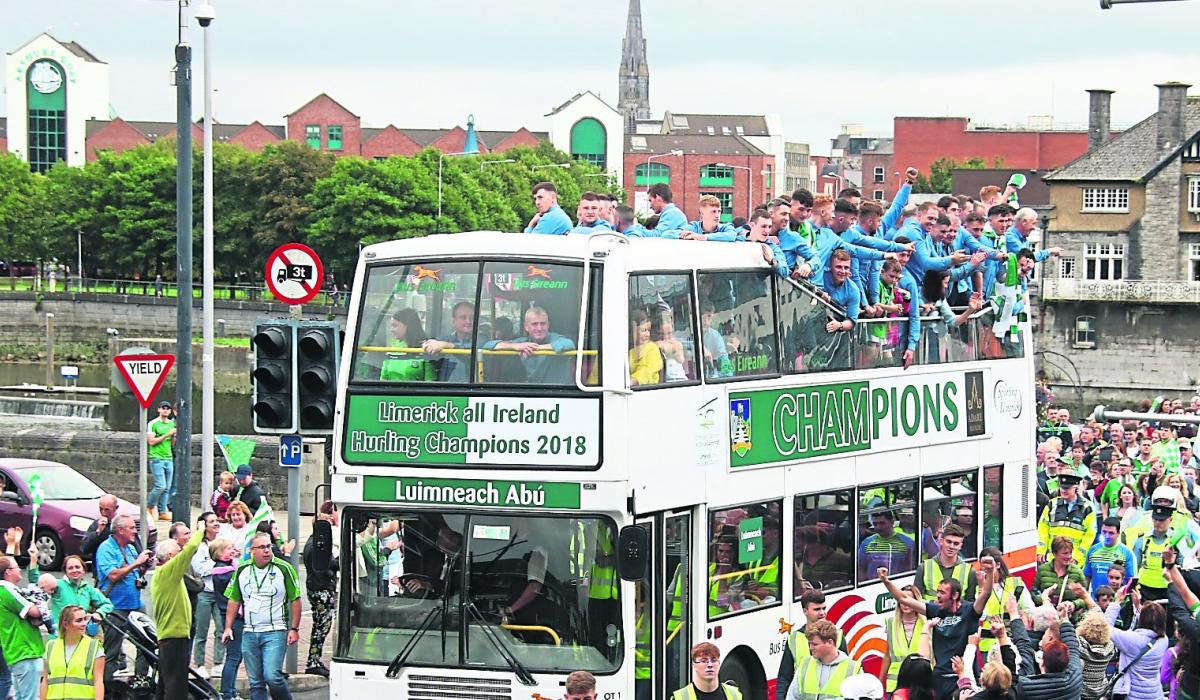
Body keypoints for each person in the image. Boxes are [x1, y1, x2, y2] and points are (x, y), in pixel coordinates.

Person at [878, 556, 995, 700]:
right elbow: (904, 599)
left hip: (961, 674)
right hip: (939, 677)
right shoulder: (935, 610)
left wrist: (990, 572)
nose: (937, 596)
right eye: (937, 591)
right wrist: (885, 581)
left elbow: (986, 594)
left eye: (942, 593)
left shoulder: (969, 611)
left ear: (955, 595)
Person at [222, 533, 302, 700]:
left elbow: (295, 599)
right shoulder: (242, 570)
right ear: (252, 551)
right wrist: (228, 627)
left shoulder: (283, 568)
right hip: (249, 632)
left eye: (269, 546)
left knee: (272, 676)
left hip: (275, 631)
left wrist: (294, 628)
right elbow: (233, 599)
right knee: (256, 683)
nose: (267, 550)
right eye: (262, 547)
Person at [93, 515, 150, 688]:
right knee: (112, 651)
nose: (135, 531)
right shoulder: (106, 548)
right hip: (115, 607)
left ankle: (140, 681)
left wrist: (144, 566)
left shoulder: (131, 548)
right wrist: (136, 564)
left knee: (146, 645)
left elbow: (135, 571)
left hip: (135, 605)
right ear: (120, 530)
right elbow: (113, 575)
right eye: (132, 528)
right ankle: (107, 688)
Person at [150, 530, 204, 700]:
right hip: (174, 636)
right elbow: (192, 548)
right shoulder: (167, 572)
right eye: (178, 553)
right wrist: (202, 528)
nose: (182, 556)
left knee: (166, 684)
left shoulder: (166, 575)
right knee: (176, 688)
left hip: (173, 636)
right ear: (171, 556)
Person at [776, 590, 848, 700]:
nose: (822, 613)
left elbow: (846, 670)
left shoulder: (837, 636)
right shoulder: (794, 639)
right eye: (817, 609)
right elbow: (784, 678)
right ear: (805, 611)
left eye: (824, 608)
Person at [27, 551, 112, 641]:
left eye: (77, 567)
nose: (74, 570)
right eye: (70, 568)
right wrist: (33, 558)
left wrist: (99, 613)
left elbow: (107, 604)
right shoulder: (58, 585)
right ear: (65, 572)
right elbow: (37, 583)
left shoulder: (88, 589)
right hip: (59, 638)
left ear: (83, 570)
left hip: (80, 638)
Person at [482, 306, 576, 384]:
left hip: (557, 396)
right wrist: (514, 346)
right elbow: (488, 345)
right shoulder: (521, 343)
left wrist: (535, 348)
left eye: (542, 324)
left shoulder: (557, 339)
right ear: (526, 327)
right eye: (534, 324)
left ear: (548, 325)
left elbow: (568, 344)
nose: (539, 328)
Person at [1104, 592, 1169, 700]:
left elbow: (1105, 627)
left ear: (1142, 618)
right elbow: (1151, 623)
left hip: (1132, 695)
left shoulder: (1132, 640)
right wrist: (1138, 606)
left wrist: (1116, 602)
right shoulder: (1163, 640)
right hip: (1155, 694)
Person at [0, 551, 46, 700]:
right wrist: (42, 601)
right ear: (8, 572)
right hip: (25, 650)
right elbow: (35, 611)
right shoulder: (6, 590)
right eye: (16, 567)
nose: (20, 569)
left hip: (17, 651)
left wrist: (33, 560)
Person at [300, 502, 339, 677]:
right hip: (321, 588)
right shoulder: (318, 545)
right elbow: (329, 565)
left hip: (316, 587)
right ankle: (313, 661)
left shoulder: (313, 542)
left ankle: (314, 659)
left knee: (320, 625)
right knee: (322, 626)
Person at [783, 620, 861, 700]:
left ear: (830, 643)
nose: (810, 648)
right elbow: (792, 697)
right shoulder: (805, 664)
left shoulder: (853, 669)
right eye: (810, 644)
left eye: (815, 644)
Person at [40, 605, 104, 700]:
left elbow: (98, 681)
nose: (84, 624)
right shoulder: (51, 646)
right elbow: (45, 681)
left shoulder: (94, 647)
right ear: (66, 624)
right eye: (79, 620)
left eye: (85, 619)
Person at [1037, 473, 1097, 567]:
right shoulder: (1052, 505)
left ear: (1076, 488)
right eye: (1062, 488)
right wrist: (1041, 550)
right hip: (1052, 559)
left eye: (1068, 488)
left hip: (1074, 562)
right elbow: (1042, 529)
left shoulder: (1087, 508)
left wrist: (1077, 557)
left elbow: (1089, 536)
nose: (1064, 491)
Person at [191, 512, 225, 678]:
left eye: (217, 520)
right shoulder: (199, 546)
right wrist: (218, 562)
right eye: (212, 521)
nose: (216, 523)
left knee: (221, 628)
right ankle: (200, 663)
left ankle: (219, 662)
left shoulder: (222, 542)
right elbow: (200, 570)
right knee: (201, 630)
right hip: (204, 592)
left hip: (220, 592)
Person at [876, 585, 925, 694]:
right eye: (902, 599)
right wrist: (880, 682)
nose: (905, 603)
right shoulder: (891, 623)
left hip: (919, 682)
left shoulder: (926, 623)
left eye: (909, 600)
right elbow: (887, 656)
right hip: (895, 684)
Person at [208, 539, 241, 700]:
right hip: (231, 616)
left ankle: (230, 691)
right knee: (234, 656)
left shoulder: (228, 568)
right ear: (220, 554)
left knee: (236, 655)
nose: (232, 550)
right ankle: (228, 693)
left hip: (230, 615)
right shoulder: (223, 573)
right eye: (229, 548)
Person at [914, 524, 976, 602]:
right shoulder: (924, 567)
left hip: (958, 614)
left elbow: (971, 603)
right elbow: (916, 599)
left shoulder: (970, 571)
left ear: (961, 546)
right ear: (941, 541)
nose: (951, 546)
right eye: (948, 542)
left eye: (956, 543)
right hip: (930, 613)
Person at [421, 301, 475, 382]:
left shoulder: (481, 340)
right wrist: (428, 345)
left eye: (472, 318)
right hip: (446, 390)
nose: (468, 321)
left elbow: (474, 350)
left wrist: (447, 346)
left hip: (470, 391)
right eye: (463, 317)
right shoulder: (445, 339)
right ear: (454, 321)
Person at [1132, 504, 1177, 602]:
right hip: (1145, 589)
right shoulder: (1142, 540)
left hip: (1168, 588)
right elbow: (1135, 567)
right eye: (1155, 519)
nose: (1157, 523)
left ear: (1170, 519)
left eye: (1162, 520)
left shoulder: (1176, 541)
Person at [1084, 517, 1136, 597]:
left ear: (1118, 533)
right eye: (1104, 532)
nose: (1107, 536)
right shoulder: (1092, 550)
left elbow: (1130, 581)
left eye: (1111, 533)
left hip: (1116, 602)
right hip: (1095, 601)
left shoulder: (1126, 553)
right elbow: (1087, 577)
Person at [857, 511, 915, 582]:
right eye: (875, 524)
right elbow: (861, 568)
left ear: (892, 522)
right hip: (872, 587)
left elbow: (910, 569)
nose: (878, 527)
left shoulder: (907, 542)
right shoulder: (867, 543)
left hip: (897, 586)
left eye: (882, 523)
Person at [1032, 536, 1087, 611]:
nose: (1069, 556)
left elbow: (1085, 598)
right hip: (1047, 617)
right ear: (1054, 553)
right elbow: (1033, 593)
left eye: (1070, 553)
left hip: (1070, 619)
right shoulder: (1042, 570)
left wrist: (1073, 605)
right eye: (1065, 553)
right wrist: (1044, 600)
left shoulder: (1077, 572)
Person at [379, 308, 434, 381]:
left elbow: (430, 382)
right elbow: (383, 379)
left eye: (395, 325)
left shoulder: (426, 348)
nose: (391, 330)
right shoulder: (392, 349)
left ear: (408, 326)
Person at [146, 400, 177, 522]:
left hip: (168, 457)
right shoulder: (153, 424)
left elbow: (172, 444)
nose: (165, 410)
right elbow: (151, 441)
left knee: (167, 487)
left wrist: (174, 437)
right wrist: (166, 435)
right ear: (158, 409)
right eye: (163, 408)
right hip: (156, 458)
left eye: (167, 408)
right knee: (160, 485)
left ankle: (162, 511)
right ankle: (149, 506)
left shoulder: (171, 424)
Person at [821, 249, 861, 333]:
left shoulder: (853, 289)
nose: (843, 271)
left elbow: (851, 321)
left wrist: (839, 325)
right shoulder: (820, 276)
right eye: (838, 267)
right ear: (830, 266)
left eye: (846, 268)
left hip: (832, 328)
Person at [79, 495, 119, 564]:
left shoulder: (124, 523)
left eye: (107, 509)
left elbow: (135, 544)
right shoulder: (96, 524)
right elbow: (84, 549)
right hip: (100, 568)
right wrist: (98, 532)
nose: (103, 512)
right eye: (101, 509)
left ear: (116, 508)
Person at [628, 309, 662, 386]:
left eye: (648, 330)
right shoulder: (629, 351)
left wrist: (631, 381)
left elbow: (646, 371)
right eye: (643, 330)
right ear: (633, 332)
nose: (648, 334)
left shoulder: (652, 348)